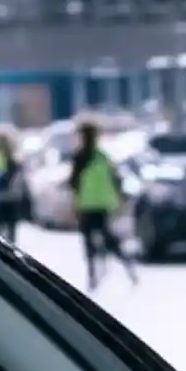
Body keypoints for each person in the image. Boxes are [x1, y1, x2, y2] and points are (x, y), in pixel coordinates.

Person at [68, 117, 138, 291]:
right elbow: (115, 181)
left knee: (89, 242)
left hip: (86, 205)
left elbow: (74, 183)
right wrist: (118, 202)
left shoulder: (79, 158)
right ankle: (127, 267)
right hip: (103, 204)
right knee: (109, 239)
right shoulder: (103, 157)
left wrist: (74, 204)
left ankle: (92, 277)